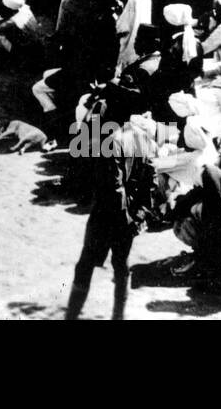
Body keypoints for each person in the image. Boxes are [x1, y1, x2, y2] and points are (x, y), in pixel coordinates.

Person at [64, 108, 155, 320]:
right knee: (121, 266)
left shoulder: (114, 142)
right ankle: (118, 316)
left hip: (106, 216)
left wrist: (126, 219)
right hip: (129, 218)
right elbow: (150, 186)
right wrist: (138, 217)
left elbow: (114, 187)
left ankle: (71, 316)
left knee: (85, 264)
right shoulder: (149, 146)